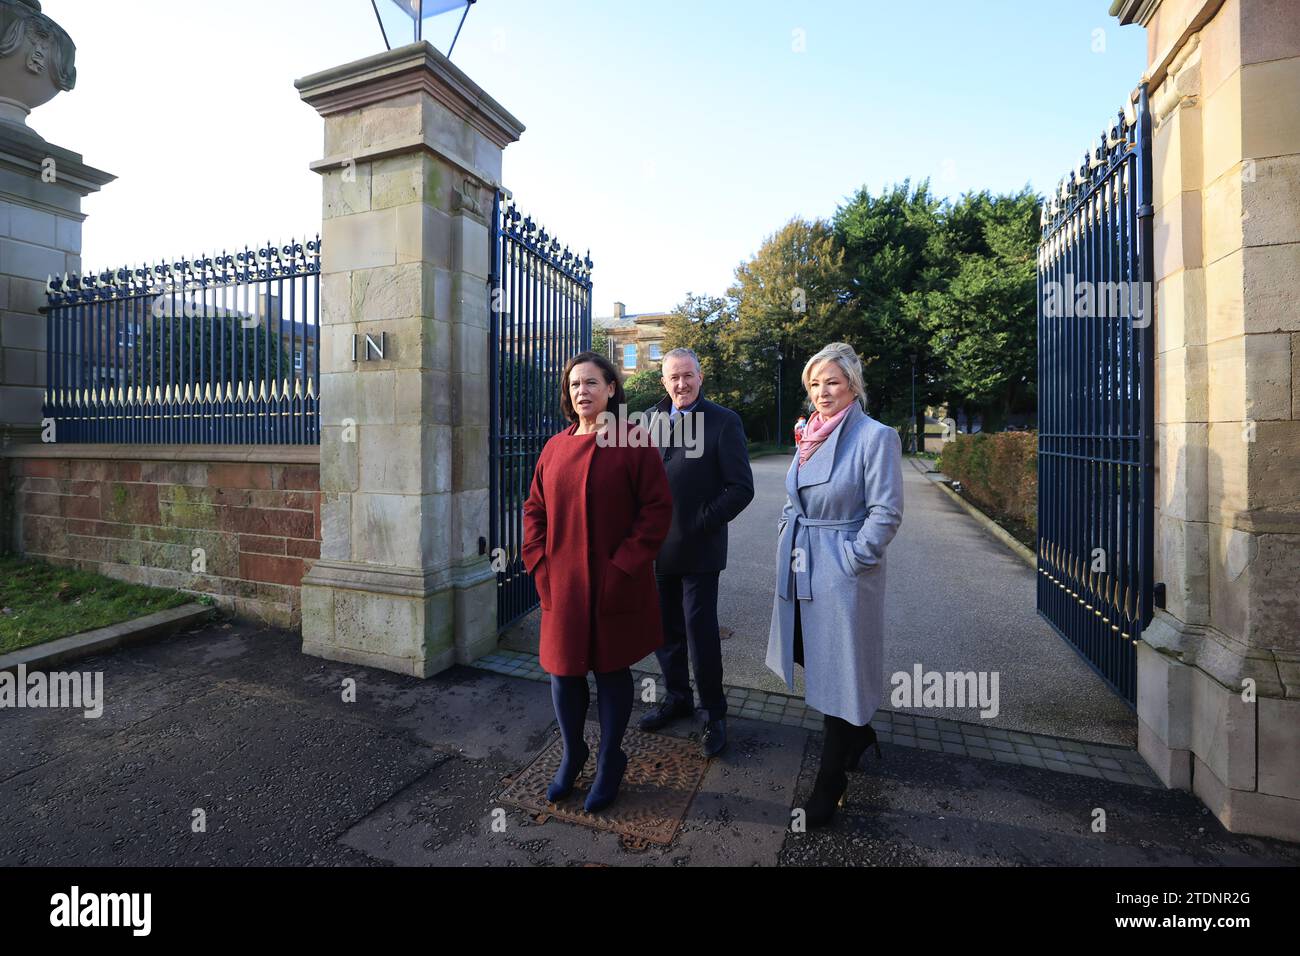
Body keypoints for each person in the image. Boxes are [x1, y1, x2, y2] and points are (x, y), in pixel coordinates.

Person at [522, 351, 672, 814]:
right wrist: (539, 564)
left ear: (611, 389)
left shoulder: (633, 441)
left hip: (614, 582)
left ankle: (610, 758)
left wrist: (623, 566)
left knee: (610, 670)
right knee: (563, 672)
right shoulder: (554, 447)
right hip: (562, 583)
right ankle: (574, 752)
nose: (581, 391)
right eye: (573, 385)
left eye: (590, 383)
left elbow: (657, 510)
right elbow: (534, 510)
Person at [765, 342, 903, 827]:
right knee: (813, 656)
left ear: (853, 386)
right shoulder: (810, 436)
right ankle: (859, 735)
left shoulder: (874, 436)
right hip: (803, 561)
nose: (822, 392)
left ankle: (830, 782)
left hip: (842, 571)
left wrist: (852, 560)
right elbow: (794, 498)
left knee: (838, 670)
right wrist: (788, 534)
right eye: (815, 384)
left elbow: (886, 512)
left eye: (833, 382)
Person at [638, 348, 754, 756]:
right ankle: (677, 698)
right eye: (674, 377)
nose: (681, 384)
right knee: (664, 633)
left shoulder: (724, 422)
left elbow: (741, 488)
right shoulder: (648, 421)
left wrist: (701, 521)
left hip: (700, 551)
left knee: (700, 635)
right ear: (664, 382)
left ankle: (714, 714)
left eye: (688, 375)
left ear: (700, 377)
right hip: (655, 552)